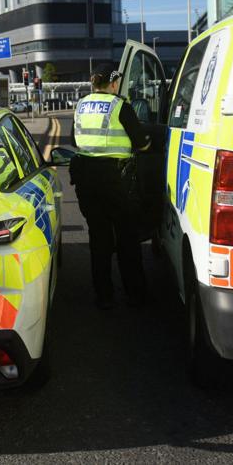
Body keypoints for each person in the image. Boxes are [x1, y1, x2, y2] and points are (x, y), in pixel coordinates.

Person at [69, 62, 152, 309]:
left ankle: (103, 296)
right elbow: (142, 144)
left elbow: (75, 138)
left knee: (99, 238)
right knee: (127, 237)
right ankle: (135, 294)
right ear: (114, 83)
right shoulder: (121, 106)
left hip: (86, 177)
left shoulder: (81, 105)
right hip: (117, 179)